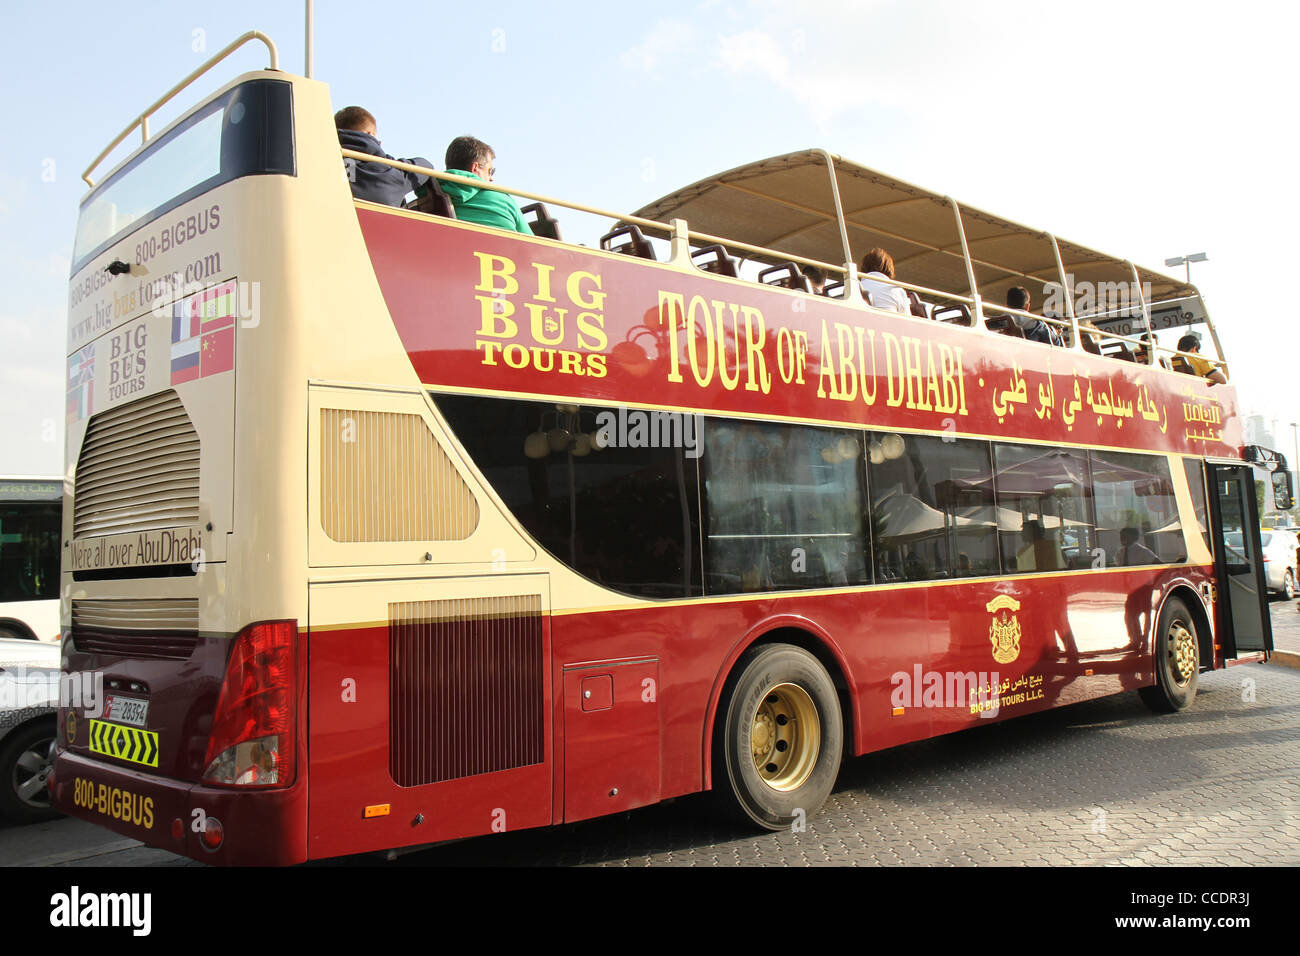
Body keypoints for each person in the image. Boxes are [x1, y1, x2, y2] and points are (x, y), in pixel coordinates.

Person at [335, 106, 432, 207]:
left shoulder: (328, 164)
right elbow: (427, 166)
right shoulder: (388, 171)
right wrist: (391, 162)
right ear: (370, 134)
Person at [441, 136, 532, 235]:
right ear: (475, 168)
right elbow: (534, 244)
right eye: (490, 171)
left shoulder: (429, 193)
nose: (491, 178)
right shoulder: (503, 201)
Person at [859, 248, 909, 314]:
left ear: (864, 267)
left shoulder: (853, 287)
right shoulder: (897, 290)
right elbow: (907, 321)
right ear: (889, 269)